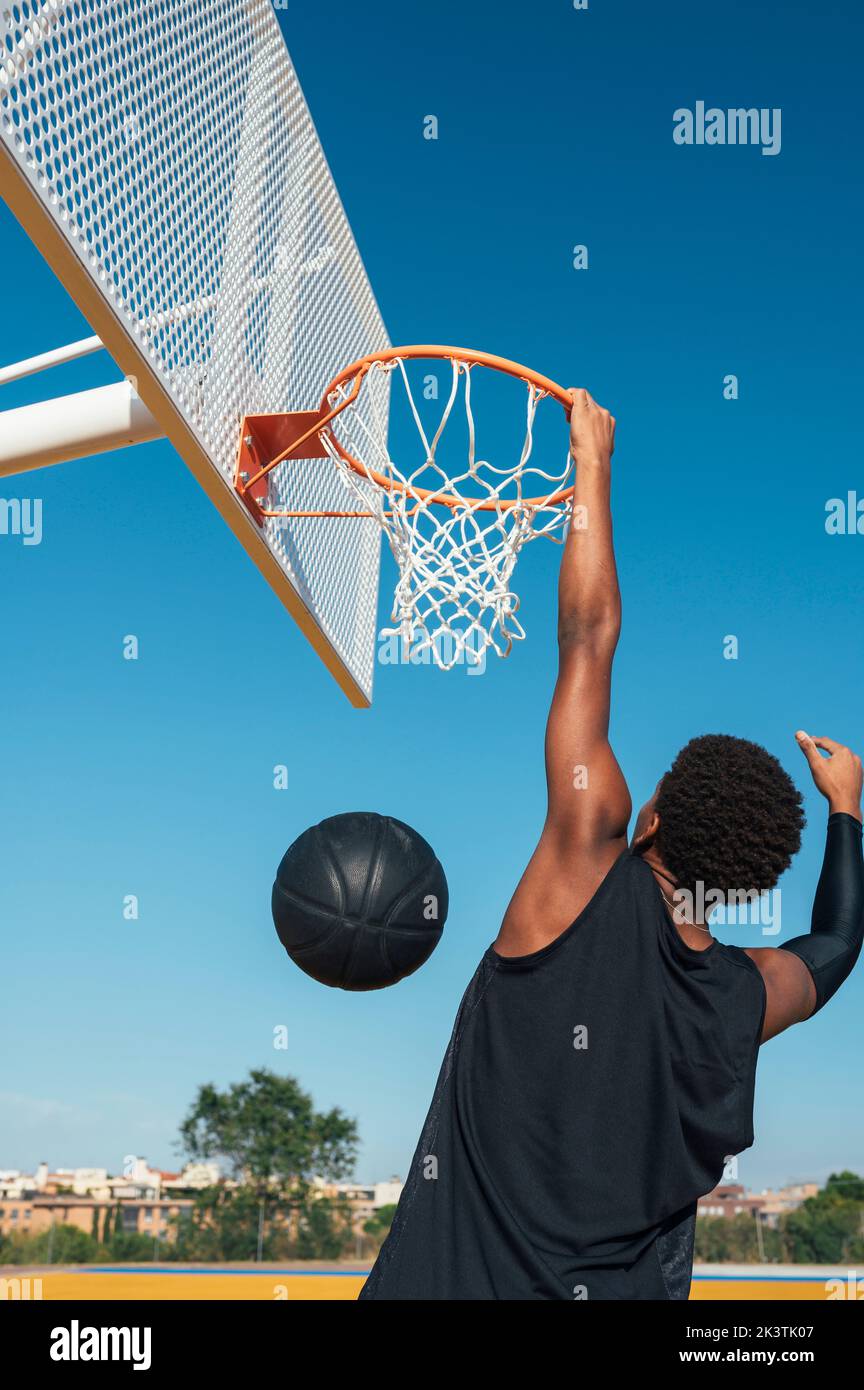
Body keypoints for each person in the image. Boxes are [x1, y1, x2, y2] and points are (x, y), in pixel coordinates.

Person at [360, 391, 864, 1301]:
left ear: (653, 822)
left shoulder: (584, 870)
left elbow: (589, 640)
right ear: (745, 881)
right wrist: (848, 813)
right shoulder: (747, 998)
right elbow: (834, 947)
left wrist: (591, 461)